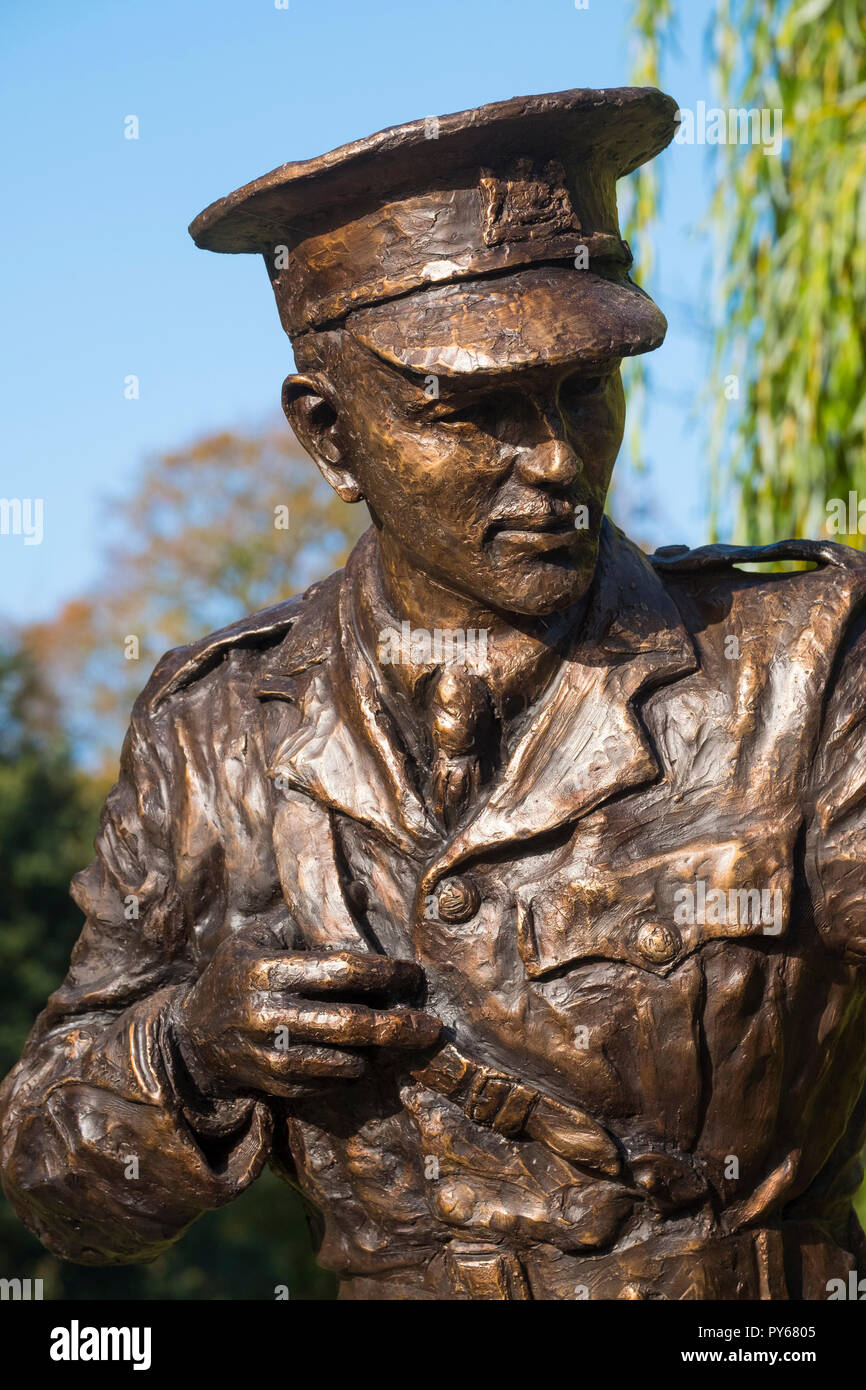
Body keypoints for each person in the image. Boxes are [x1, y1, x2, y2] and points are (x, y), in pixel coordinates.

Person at [2, 87, 865, 1300]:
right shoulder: (214, 731)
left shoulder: (804, 665)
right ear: (331, 438)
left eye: (584, 389)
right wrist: (191, 1054)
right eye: (477, 413)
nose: (559, 460)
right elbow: (57, 1188)